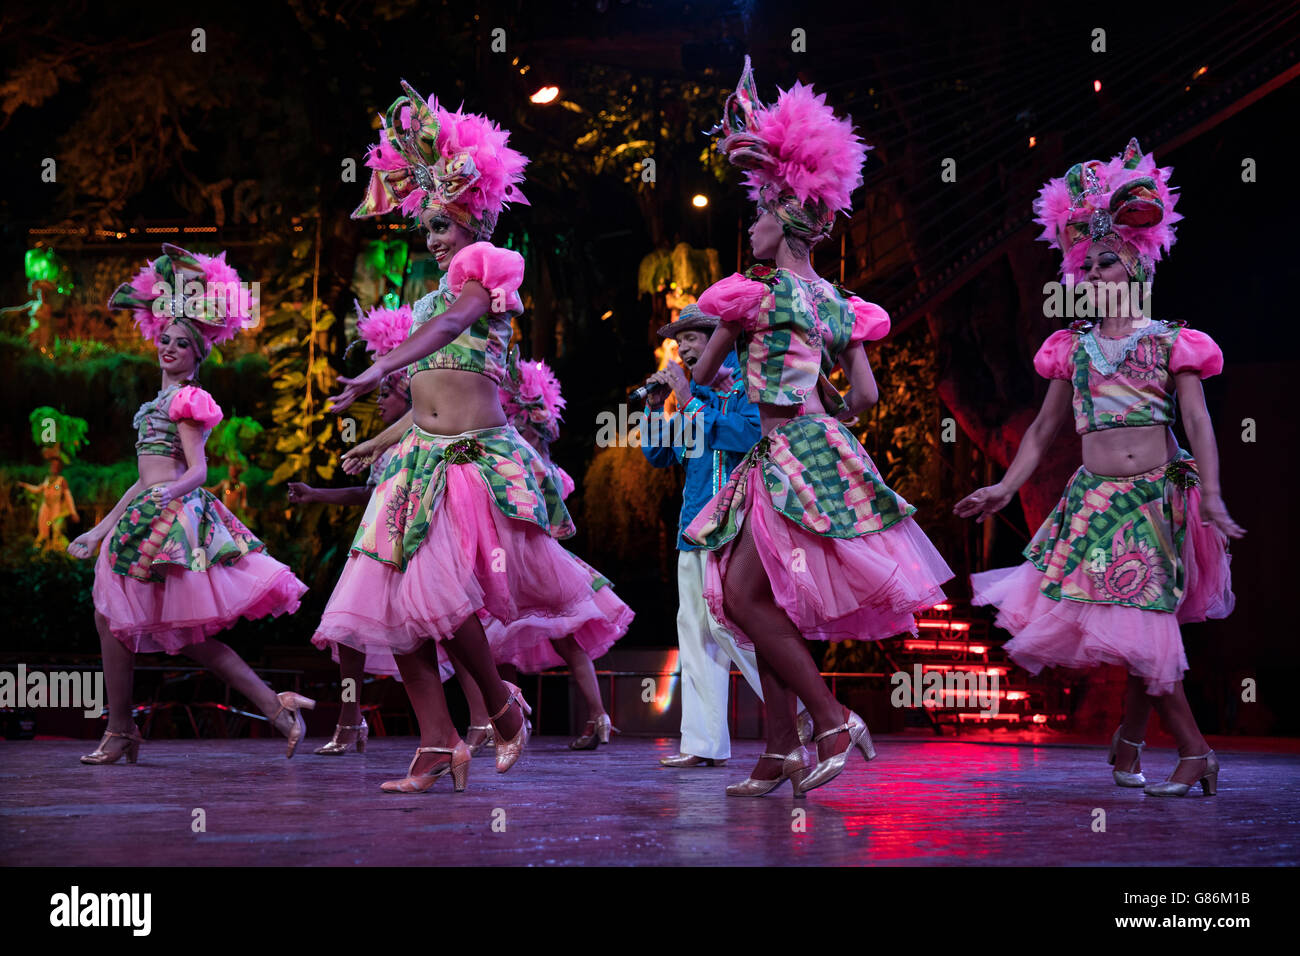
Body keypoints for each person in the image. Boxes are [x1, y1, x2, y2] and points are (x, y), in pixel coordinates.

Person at [315, 81, 626, 793]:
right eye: (426, 226)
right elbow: (428, 396)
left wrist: (379, 366)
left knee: (444, 600)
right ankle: (436, 743)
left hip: (472, 464)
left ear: (475, 223)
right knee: (395, 616)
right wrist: (379, 437)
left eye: (444, 225)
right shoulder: (424, 301)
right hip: (416, 464)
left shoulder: (490, 276)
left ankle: (502, 707)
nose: (433, 237)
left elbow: (454, 329)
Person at [682, 58, 954, 796]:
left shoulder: (750, 297)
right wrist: (816, 399)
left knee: (741, 601)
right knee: (760, 600)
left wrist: (706, 350)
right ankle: (778, 752)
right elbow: (862, 397)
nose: (752, 225)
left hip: (781, 455)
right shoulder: (839, 303)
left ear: (788, 222)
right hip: (819, 448)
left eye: (761, 214)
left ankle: (830, 721)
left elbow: (703, 380)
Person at [955, 139, 1241, 797]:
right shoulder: (1072, 349)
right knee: (1138, 628)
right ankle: (1130, 743)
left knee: (1142, 624)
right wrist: (1004, 486)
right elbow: (1046, 429)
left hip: (1157, 497)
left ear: (1137, 265)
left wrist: (1217, 495)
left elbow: (1196, 424)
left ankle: (1195, 750)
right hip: (1094, 499)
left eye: (1107, 263)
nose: (1093, 274)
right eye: (1087, 265)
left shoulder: (1173, 340)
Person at [70, 244, 312, 764]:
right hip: (146, 515)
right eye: (165, 338)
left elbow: (197, 470)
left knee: (141, 624)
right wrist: (100, 529)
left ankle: (123, 730)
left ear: (197, 356)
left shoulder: (186, 400)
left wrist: (169, 496)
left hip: (170, 520)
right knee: (154, 629)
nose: (169, 347)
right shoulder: (155, 403)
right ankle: (274, 706)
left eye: (182, 343)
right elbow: (143, 481)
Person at [641, 305, 810, 767]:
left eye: (692, 339)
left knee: (727, 623)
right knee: (695, 633)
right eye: (680, 344)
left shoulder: (748, 387)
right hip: (694, 529)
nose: (684, 350)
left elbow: (750, 436)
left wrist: (693, 401)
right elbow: (660, 455)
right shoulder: (694, 395)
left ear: (719, 339)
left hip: (738, 529)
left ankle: (798, 706)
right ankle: (702, 744)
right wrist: (658, 410)